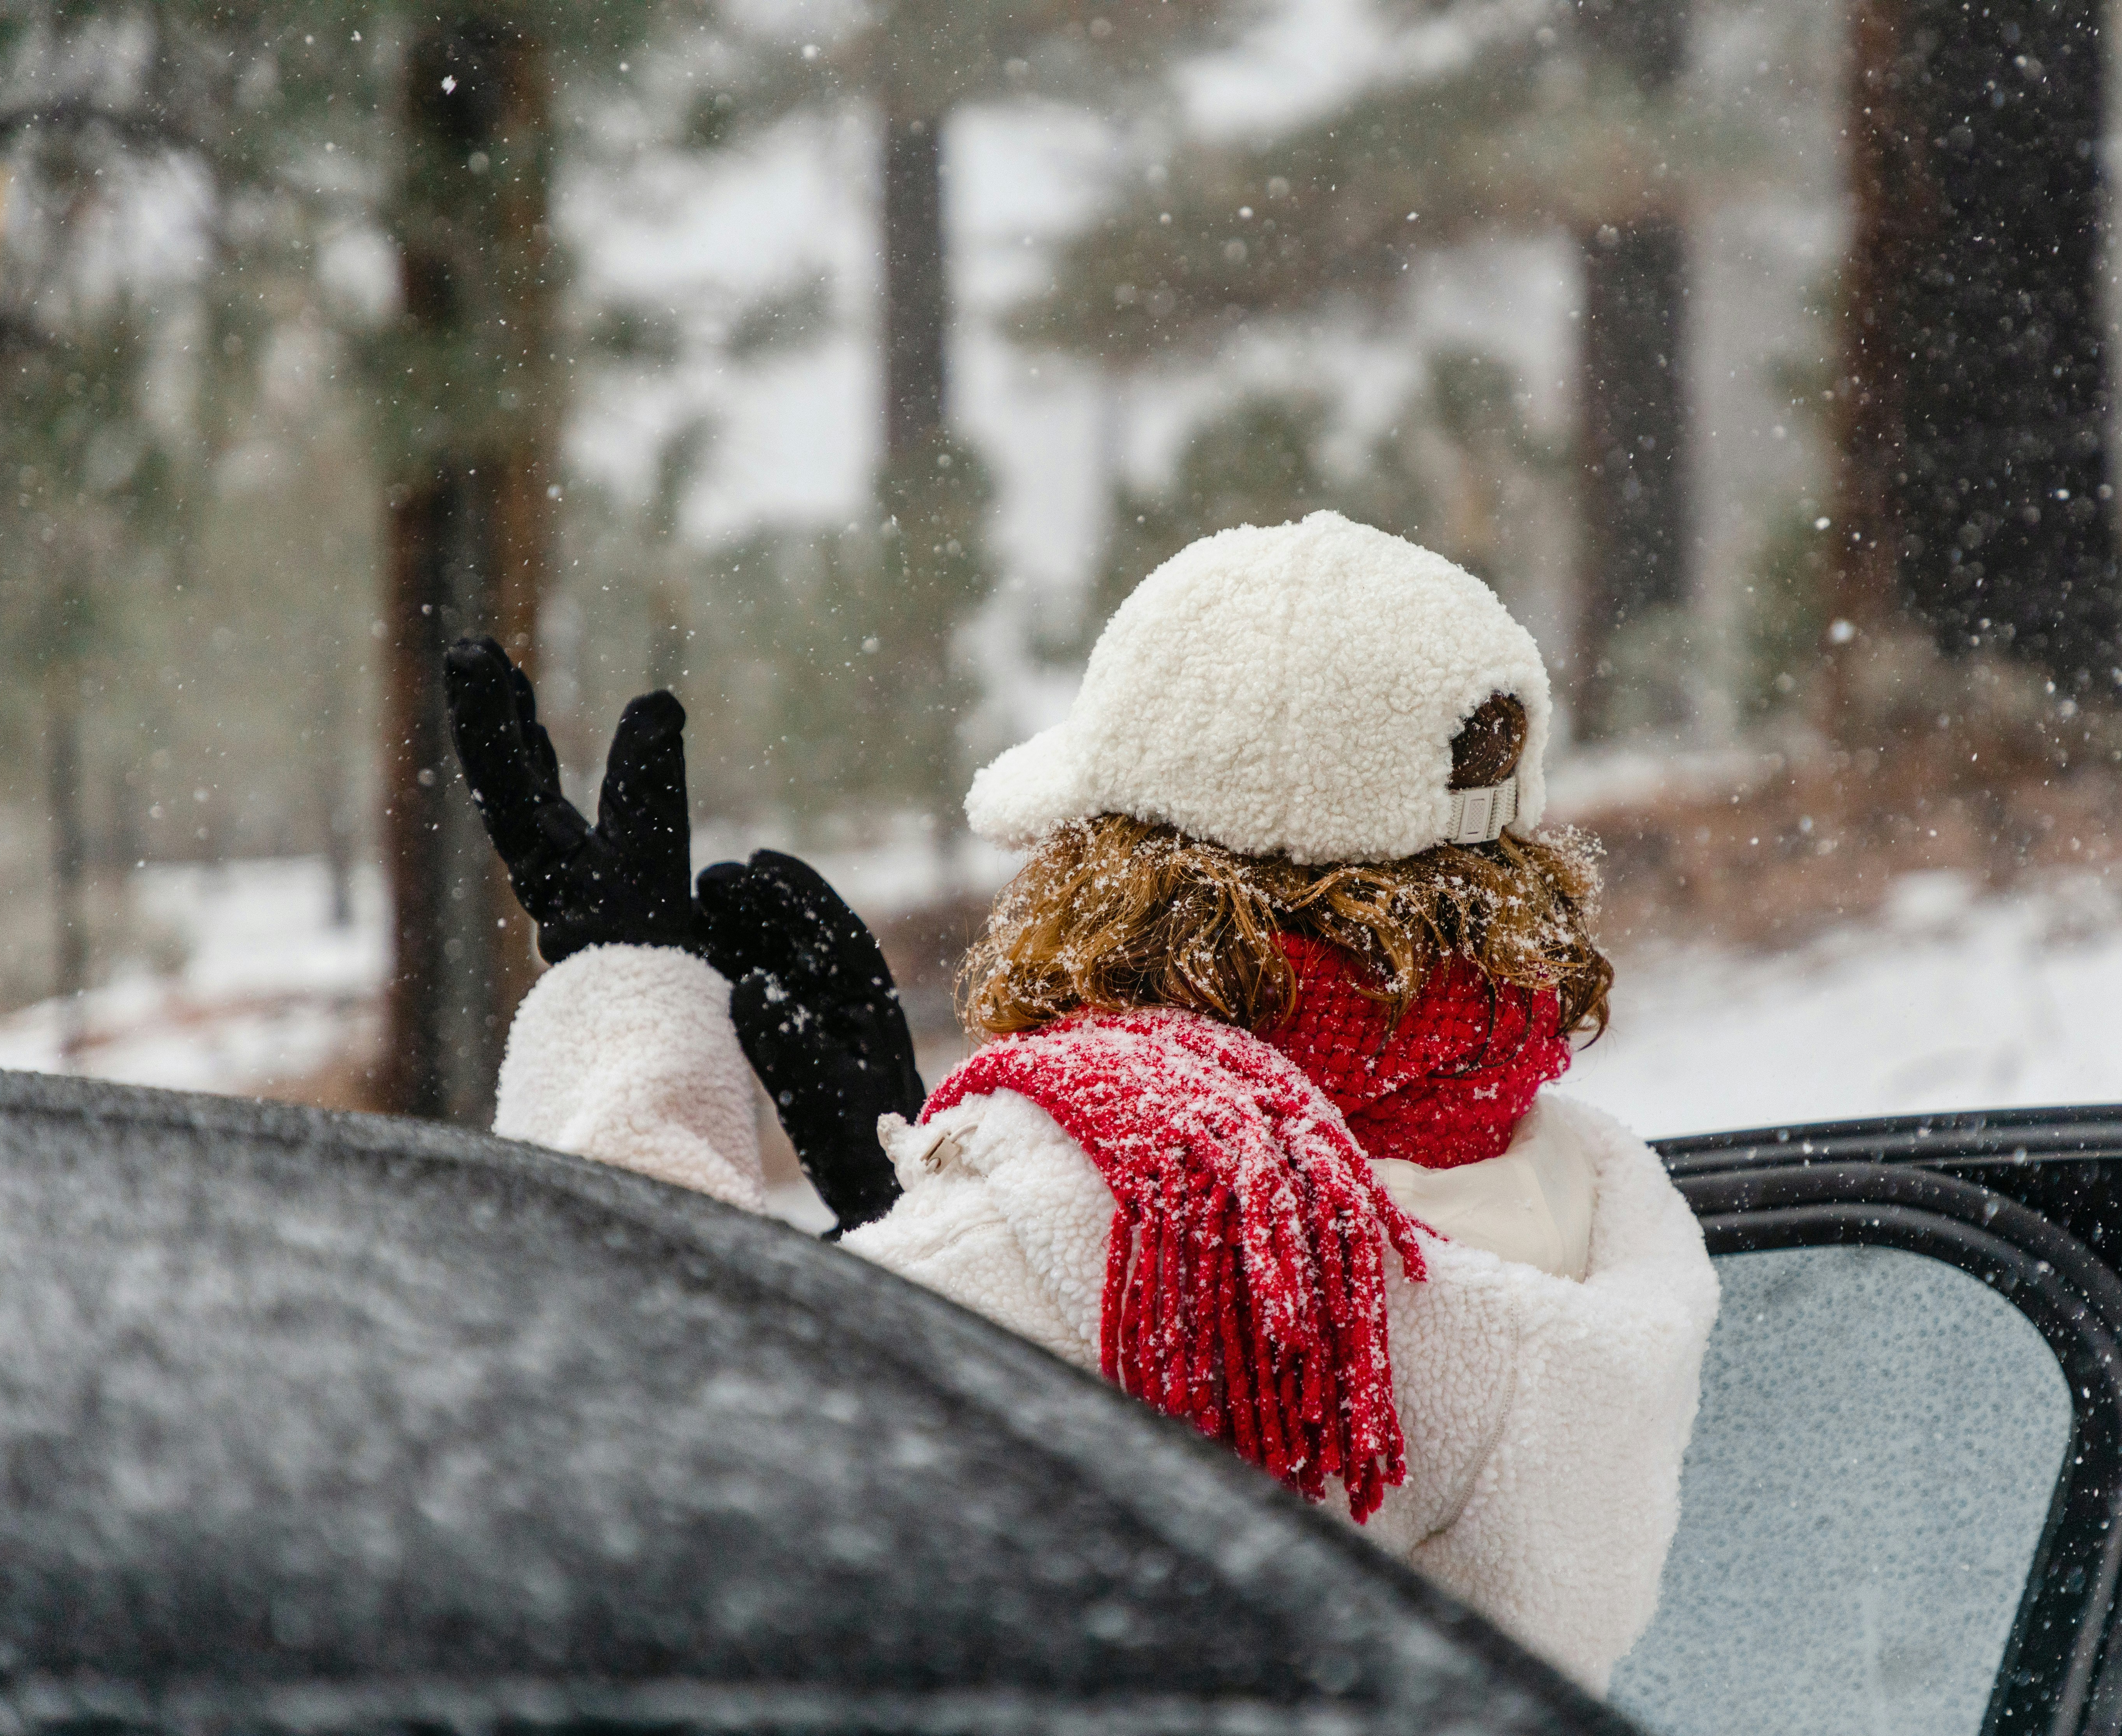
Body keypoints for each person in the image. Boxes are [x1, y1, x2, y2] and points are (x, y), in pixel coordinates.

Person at [447, 512, 1718, 1693]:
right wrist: (902, 1200)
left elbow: (625, 1460)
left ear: (1132, 877)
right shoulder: (1591, 1202)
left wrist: (625, 1021)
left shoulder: (1152, 1220)